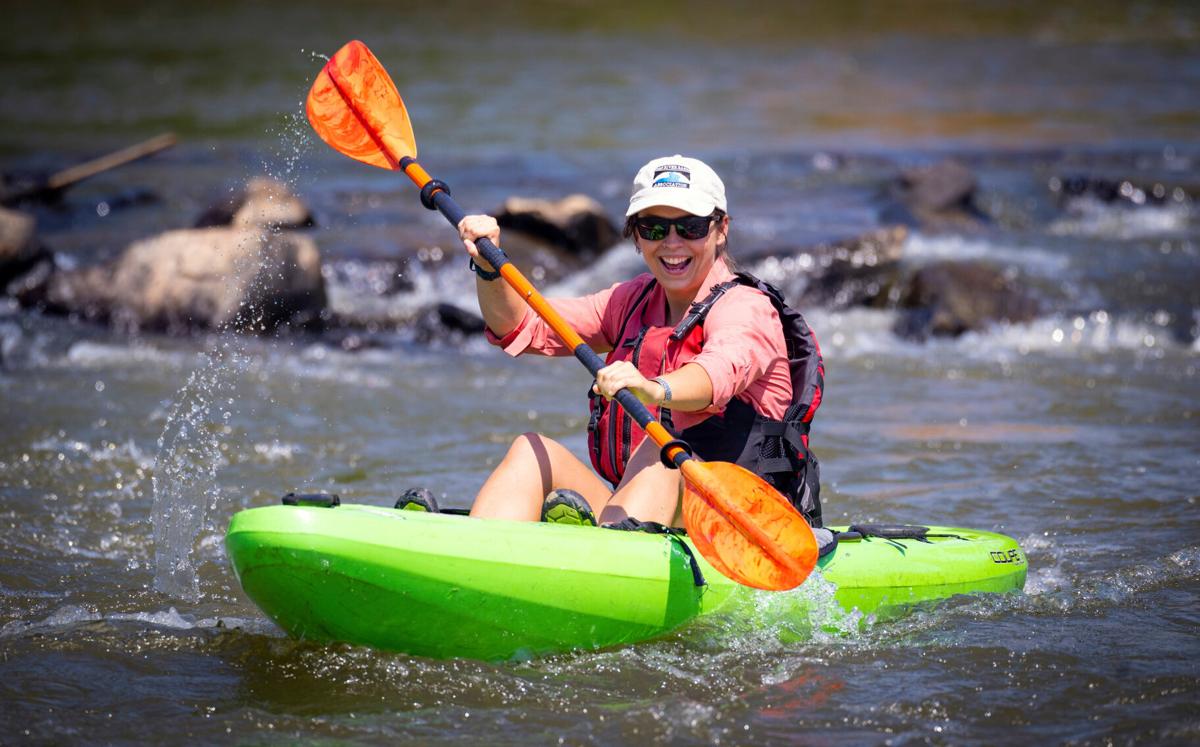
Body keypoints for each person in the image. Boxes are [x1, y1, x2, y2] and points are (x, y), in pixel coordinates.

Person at [442, 155, 824, 531]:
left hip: (740, 526)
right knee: (531, 452)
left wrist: (653, 389)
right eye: (654, 228)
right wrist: (489, 268)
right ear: (636, 235)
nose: (672, 242)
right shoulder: (631, 301)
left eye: (690, 227)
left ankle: (601, 552)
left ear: (721, 229)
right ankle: (473, 554)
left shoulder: (746, 307)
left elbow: (718, 373)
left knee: (663, 450)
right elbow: (521, 324)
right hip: (650, 513)